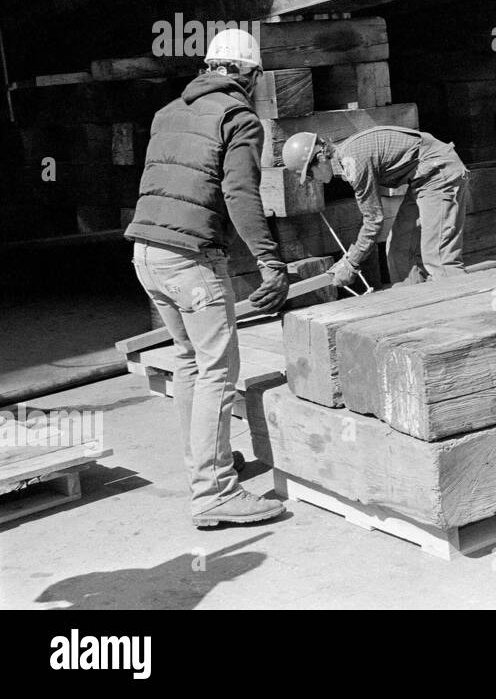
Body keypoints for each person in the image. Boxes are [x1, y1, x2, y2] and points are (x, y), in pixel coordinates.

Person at [125, 28, 288, 529]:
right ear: (248, 74)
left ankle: (206, 465)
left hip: (145, 254)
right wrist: (270, 261)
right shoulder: (239, 118)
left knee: (190, 365)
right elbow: (241, 195)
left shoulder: (167, 112)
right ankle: (214, 493)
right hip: (191, 261)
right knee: (217, 370)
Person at [283, 126, 469, 285]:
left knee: (438, 257)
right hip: (423, 180)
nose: (313, 181)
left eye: (309, 175)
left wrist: (350, 263)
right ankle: (414, 306)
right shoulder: (347, 156)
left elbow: (373, 220)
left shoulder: (352, 162)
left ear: (321, 159)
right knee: (399, 250)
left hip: (439, 174)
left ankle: (468, 315)